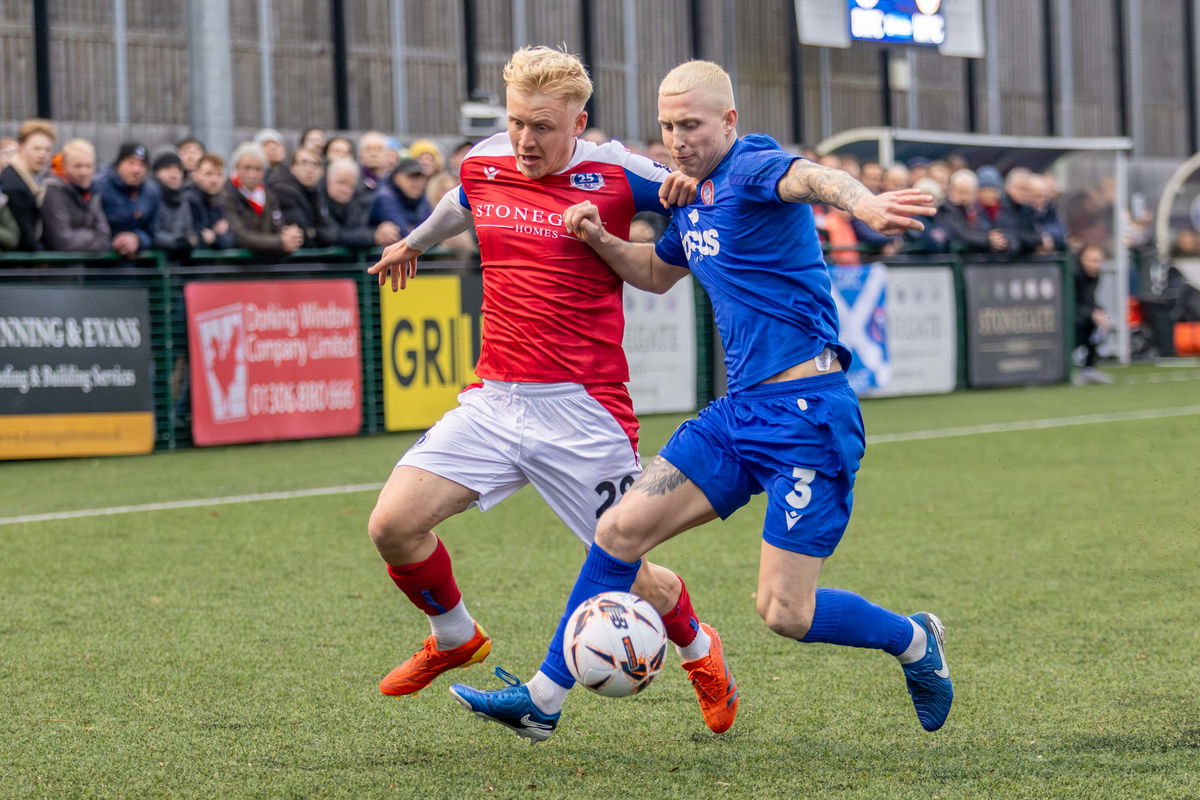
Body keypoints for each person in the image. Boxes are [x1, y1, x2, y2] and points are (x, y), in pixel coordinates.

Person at [452, 59, 953, 740]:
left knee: (785, 613)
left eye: (691, 124)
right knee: (618, 530)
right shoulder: (689, 198)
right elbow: (656, 273)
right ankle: (543, 700)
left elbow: (809, 177)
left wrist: (860, 201)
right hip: (736, 417)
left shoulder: (751, 167)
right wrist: (601, 238)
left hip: (808, 416)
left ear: (729, 121)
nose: (678, 138)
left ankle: (914, 640)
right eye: (667, 125)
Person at [365, 45, 734, 743]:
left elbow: (704, 192)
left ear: (579, 122)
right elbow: (461, 199)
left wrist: (689, 191)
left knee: (636, 577)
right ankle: (454, 635)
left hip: (583, 412)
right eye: (515, 124)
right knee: (394, 525)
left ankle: (699, 651)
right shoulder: (486, 157)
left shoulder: (621, 172)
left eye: (542, 127)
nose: (525, 141)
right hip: (494, 400)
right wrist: (414, 241)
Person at [221, 142, 304, 256]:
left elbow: (278, 225)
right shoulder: (227, 194)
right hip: (236, 266)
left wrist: (290, 235)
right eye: (247, 168)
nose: (252, 174)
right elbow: (239, 235)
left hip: (267, 262)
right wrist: (279, 241)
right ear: (237, 168)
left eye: (258, 169)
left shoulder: (268, 195)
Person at [40, 138, 111, 253]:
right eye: (77, 166)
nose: (84, 172)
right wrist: (93, 236)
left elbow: (105, 237)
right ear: (64, 165)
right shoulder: (53, 189)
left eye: (89, 166)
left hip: (88, 267)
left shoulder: (92, 191)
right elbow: (62, 241)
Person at [0, 118, 56, 251]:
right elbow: (25, 238)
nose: (42, 154)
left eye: (47, 150)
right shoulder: (14, 184)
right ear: (22, 147)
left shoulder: (31, 180)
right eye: (36, 148)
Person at [96, 142, 160, 258]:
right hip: (101, 262)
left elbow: (154, 231)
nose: (136, 170)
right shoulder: (99, 186)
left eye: (142, 165)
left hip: (137, 266)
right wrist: (115, 242)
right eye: (131, 163)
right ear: (119, 164)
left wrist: (137, 239)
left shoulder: (151, 192)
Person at [323, 157, 399, 248]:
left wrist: (383, 231)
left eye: (350, 185)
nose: (345, 190)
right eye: (341, 182)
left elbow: (360, 228)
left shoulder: (360, 198)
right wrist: (374, 235)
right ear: (329, 181)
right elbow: (330, 235)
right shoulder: (318, 199)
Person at [268, 147, 336, 248]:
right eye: (304, 163)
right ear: (293, 167)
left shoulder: (316, 191)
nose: (310, 169)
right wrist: (315, 233)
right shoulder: (284, 191)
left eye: (315, 164)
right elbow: (304, 236)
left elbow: (332, 233)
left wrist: (314, 232)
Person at [1073, 244, 1114, 384]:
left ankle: (1089, 369)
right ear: (1081, 259)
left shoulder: (1095, 275)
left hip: (1083, 314)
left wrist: (1099, 313)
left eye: (1099, 261)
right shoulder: (1073, 274)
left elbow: (1090, 299)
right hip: (1069, 316)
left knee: (1098, 326)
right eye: (1092, 260)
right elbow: (1070, 303)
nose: (1096, 265)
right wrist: (1091, 313)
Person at [368, 158, 432, 238]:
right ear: (397, 177)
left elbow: (432, 231)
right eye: (412, 176)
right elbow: (404, 234)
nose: (418, 182)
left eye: (421, 178)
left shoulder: (421, 197)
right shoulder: (385, 197)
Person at [187, 153, 235, 249]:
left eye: (219, 175)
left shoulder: (223, 202)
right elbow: (192, 239)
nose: (214, 180)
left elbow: (230, 240)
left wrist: (214, 237)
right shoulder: (188, 201)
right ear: (195, 175)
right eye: (208, 174)